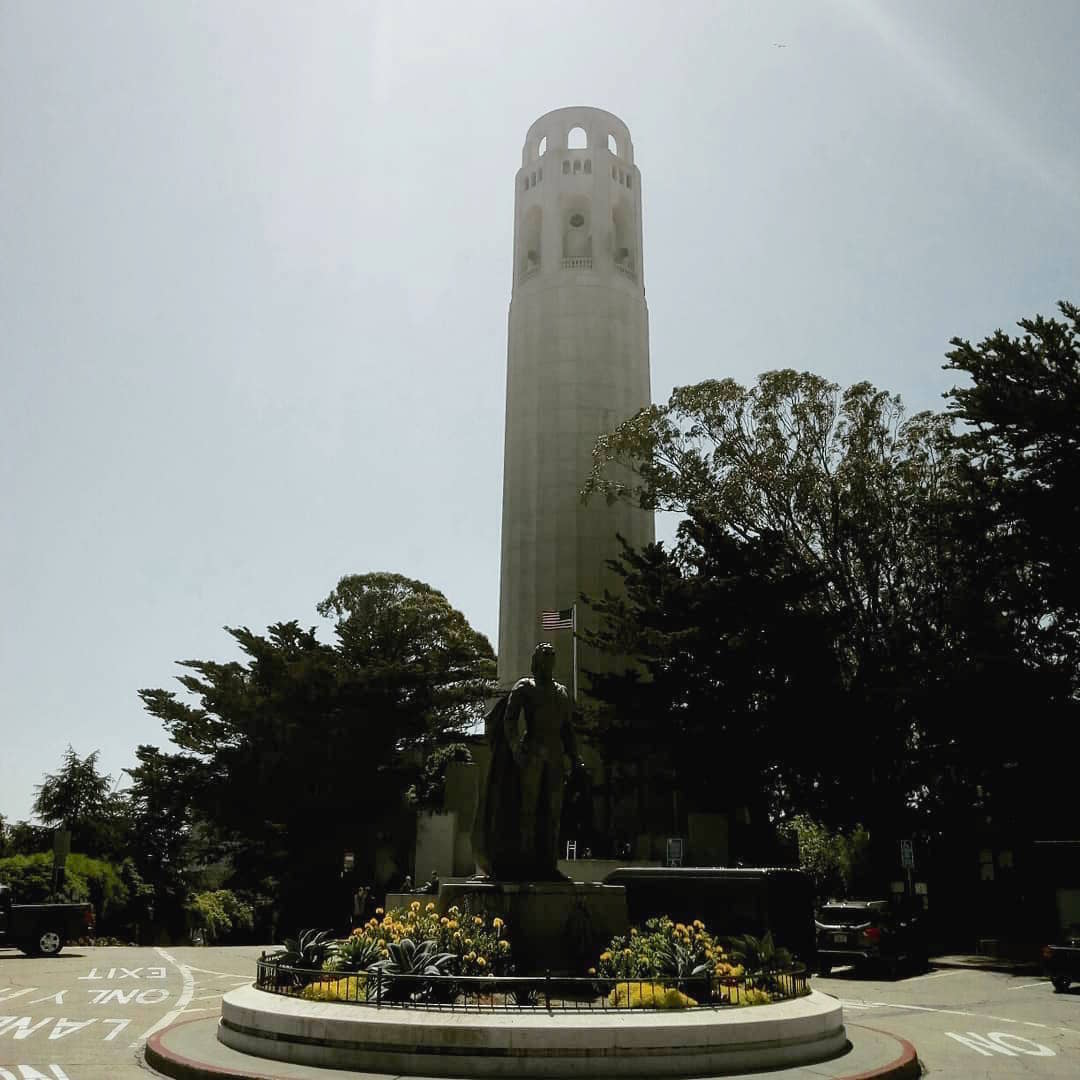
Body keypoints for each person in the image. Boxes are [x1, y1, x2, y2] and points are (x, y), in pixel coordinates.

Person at [473, 643, 584, 880]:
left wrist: (575, 757)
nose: (549, 657)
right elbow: (509, 720)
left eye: (552, 654)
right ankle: (524, 863)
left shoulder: (562, 693)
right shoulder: (525, 687)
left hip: (555, 757)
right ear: (536, 661)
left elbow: (567, 729)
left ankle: (549, 866)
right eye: (545, 654)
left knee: (553, 813)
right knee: (527, 812)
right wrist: (516, 748)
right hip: (532, 753)